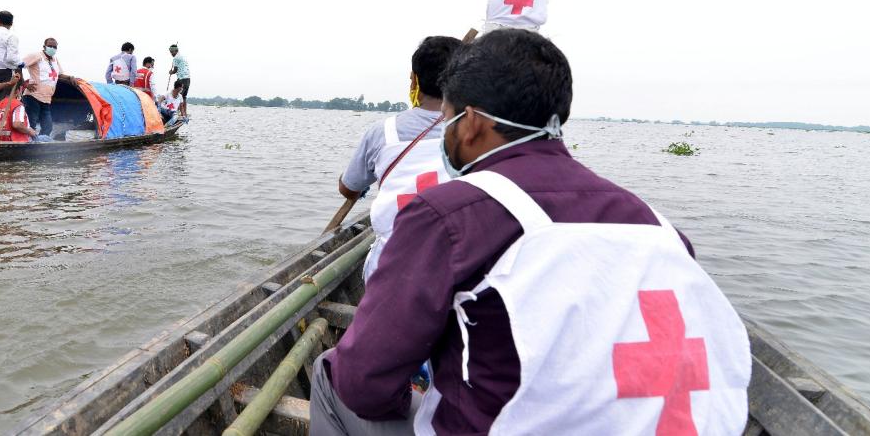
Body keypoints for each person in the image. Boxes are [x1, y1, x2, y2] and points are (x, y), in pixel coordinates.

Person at [311, 30, 750, 436]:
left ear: (471, 124)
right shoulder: (659, 226)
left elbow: (363, 384)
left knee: (332, 374)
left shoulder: (445, 216)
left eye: (445, 118)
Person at [338, 36, 461, 280]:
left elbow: (348, 188)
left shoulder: (382, 132)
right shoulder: (481, 134)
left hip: (390, 267)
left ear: (414, 79)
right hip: (458, 265)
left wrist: (357, 186)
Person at [21, 37, 74, 140]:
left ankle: (38, 145)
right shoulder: (36, 56)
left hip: (46, 99)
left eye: (54, 47)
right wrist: (24, 84)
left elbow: (59, 75)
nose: (52, 48)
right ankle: (27, 145)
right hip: (33, 96)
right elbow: (18, 65)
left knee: (47, 127)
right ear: (44, 47)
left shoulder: (55, 60)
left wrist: (70, 77)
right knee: (31, 125)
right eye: (50, 46)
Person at [168, 44, 190, 118]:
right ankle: (184, 113)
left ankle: (175, 113)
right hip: (187, 79)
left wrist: (171, 72)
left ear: (176, 51)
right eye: (170, 52)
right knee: (184, 97)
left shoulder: (176, 58)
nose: (171, 54)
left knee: (177, 96)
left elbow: (175, 70)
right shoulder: (182, 57)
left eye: (172, 52)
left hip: (181, 79)